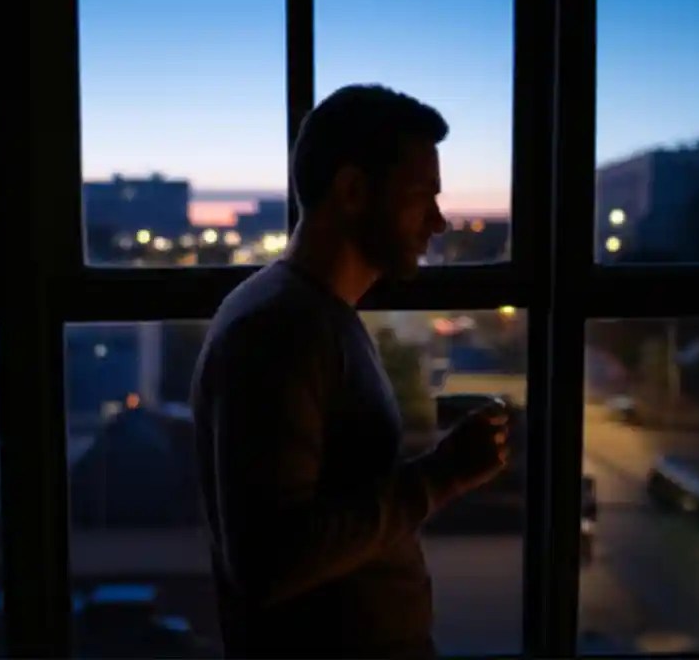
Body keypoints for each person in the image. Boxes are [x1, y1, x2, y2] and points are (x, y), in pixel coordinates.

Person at [190, 84, 510, 659]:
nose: (438, 222)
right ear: (353, 191)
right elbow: (269, 561)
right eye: (421, 196)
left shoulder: (312, 313)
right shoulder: (280, 330)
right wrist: (441, 476)